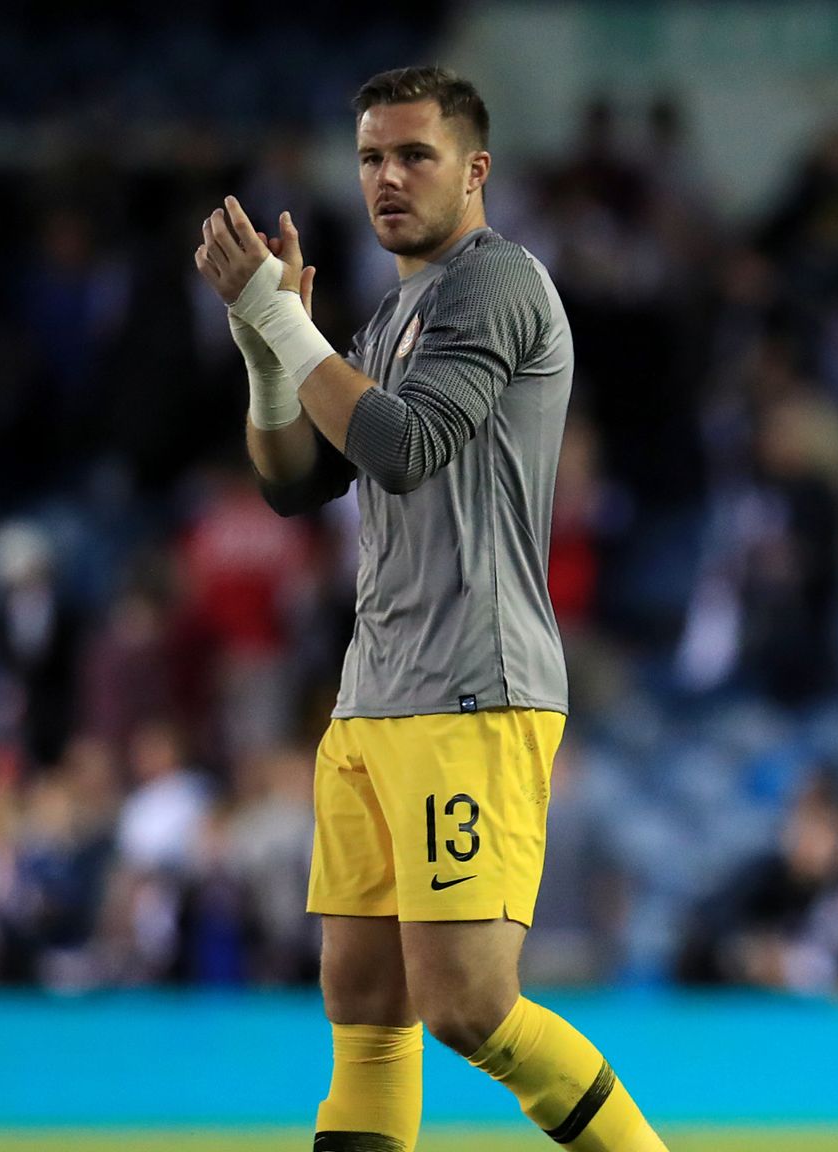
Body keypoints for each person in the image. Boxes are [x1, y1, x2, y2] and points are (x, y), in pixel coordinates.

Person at [191, 66, 666, 1151]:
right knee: (363, 1010)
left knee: (468, 1007)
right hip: (373, 697)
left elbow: (403, 448)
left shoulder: (496, 284)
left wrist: (281, 319)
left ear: (475, 169)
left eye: (415, 155)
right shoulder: (394, 313)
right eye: (371, 158)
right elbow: (296, 482)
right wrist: (268, 358)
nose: (388, 178)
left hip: (472, 691)